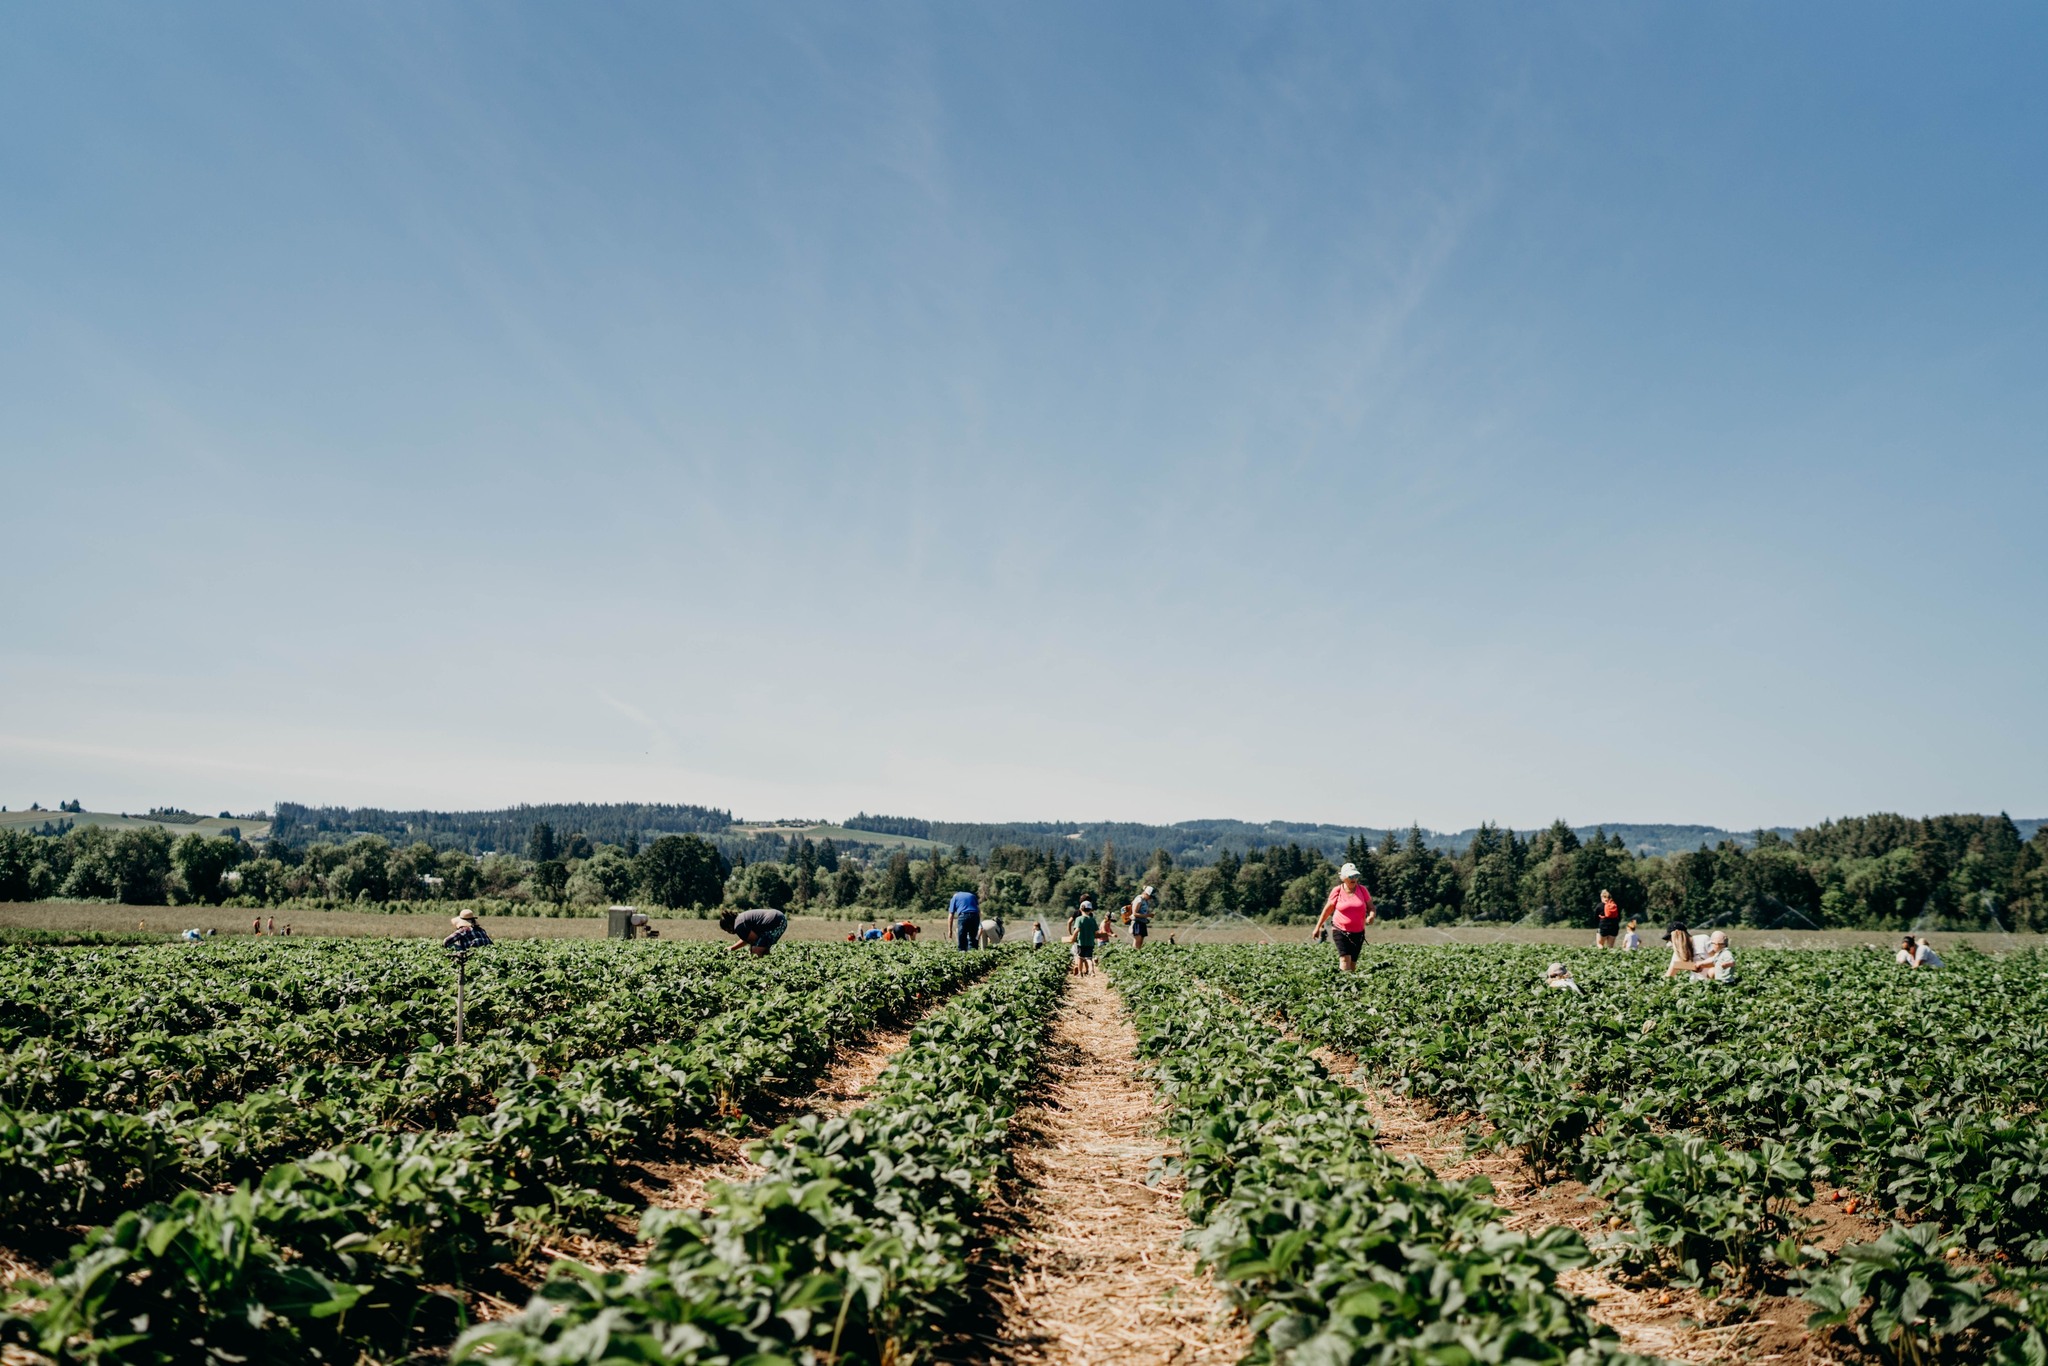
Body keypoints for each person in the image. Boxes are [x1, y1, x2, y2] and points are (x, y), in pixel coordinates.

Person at [1311, 862, 1376, 972]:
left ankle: (1351, 985)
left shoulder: (1362, 890)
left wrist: (1371, 916)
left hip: (1358, 932)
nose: (1353, 879)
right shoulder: (1337, 890)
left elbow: (1371, 907)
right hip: (1340, 930)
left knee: (1353, 963)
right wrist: (1317, 927)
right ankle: (1343, 984)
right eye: (1350, 876)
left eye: (1356, 876)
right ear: (1343, 878)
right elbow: (1327, 910)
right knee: (1345, 960)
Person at [719, 907, 787, 957]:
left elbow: (754, 940)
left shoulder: (738, 926)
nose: (728, 932)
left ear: (729, 925)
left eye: (726, 930)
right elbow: (747, 939)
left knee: (756, 951)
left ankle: (761, 973)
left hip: (774, 921)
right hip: (780, 918)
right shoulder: (740, 919)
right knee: (763, 950)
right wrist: (732, 948)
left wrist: (750, 954)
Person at [1069, 899, 1099, 975]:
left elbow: (1077, 930)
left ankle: (1080, 972)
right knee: (1089, 958)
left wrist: (1073, 938)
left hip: (1081, 942)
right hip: (1090, 943)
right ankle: (1091, 971)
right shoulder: (1092, 920)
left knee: (1080, 957)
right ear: (1091, 910)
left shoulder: (1079, 919)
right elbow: (1096, 932)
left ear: (1081, 909)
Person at [949, 888, 982, 952]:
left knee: (962, 939)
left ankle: (962, 954)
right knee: (973, 939)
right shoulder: (972, 895)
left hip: (963, 916)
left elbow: (951, 916)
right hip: (975, 916)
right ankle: (973, 955)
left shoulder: (955, 897)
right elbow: (978, 910)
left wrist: (950, 930)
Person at [1130, 884, 1157, 949]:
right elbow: (1135, 913)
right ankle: (1133, 956)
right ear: (1146, 893)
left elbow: (1142, 912)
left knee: (1140, 943)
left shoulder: (1145, 901)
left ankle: (1138, 956)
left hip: (1142, 922)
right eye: (1150, 896)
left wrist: (1149, 915)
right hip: (1137, 923)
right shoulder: (1139, 899)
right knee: (1137, 942)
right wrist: (1148, 915)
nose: (1150, 898)